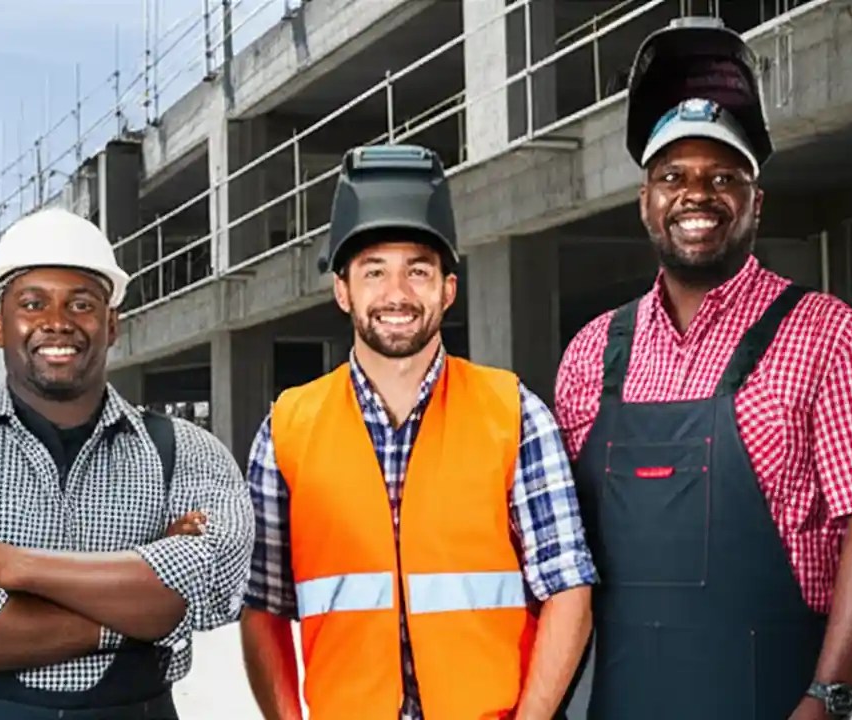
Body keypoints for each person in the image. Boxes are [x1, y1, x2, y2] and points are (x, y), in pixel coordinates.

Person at [554, 18, 852, 720]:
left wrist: (830, 698)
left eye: (724, 176)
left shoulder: (830, 336)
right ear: (645, 201)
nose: (697, 194)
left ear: (755, 200)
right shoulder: (591, 352)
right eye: (672, 176)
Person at [238, 144, 598, 720]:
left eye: (419, 271)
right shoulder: (287, 429)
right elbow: (262, 608)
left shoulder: (515, 414)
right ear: (343, 290)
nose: (397, 294)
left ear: (447, 289)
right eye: (374, 271)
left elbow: (569, 590)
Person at [0, 207, 255, 720]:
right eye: (32, 303)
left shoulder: (187, 450)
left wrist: (17, 569)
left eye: (81, 303)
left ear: (111, 324)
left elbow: (217, 584)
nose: (57, 322)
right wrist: (143, 606)